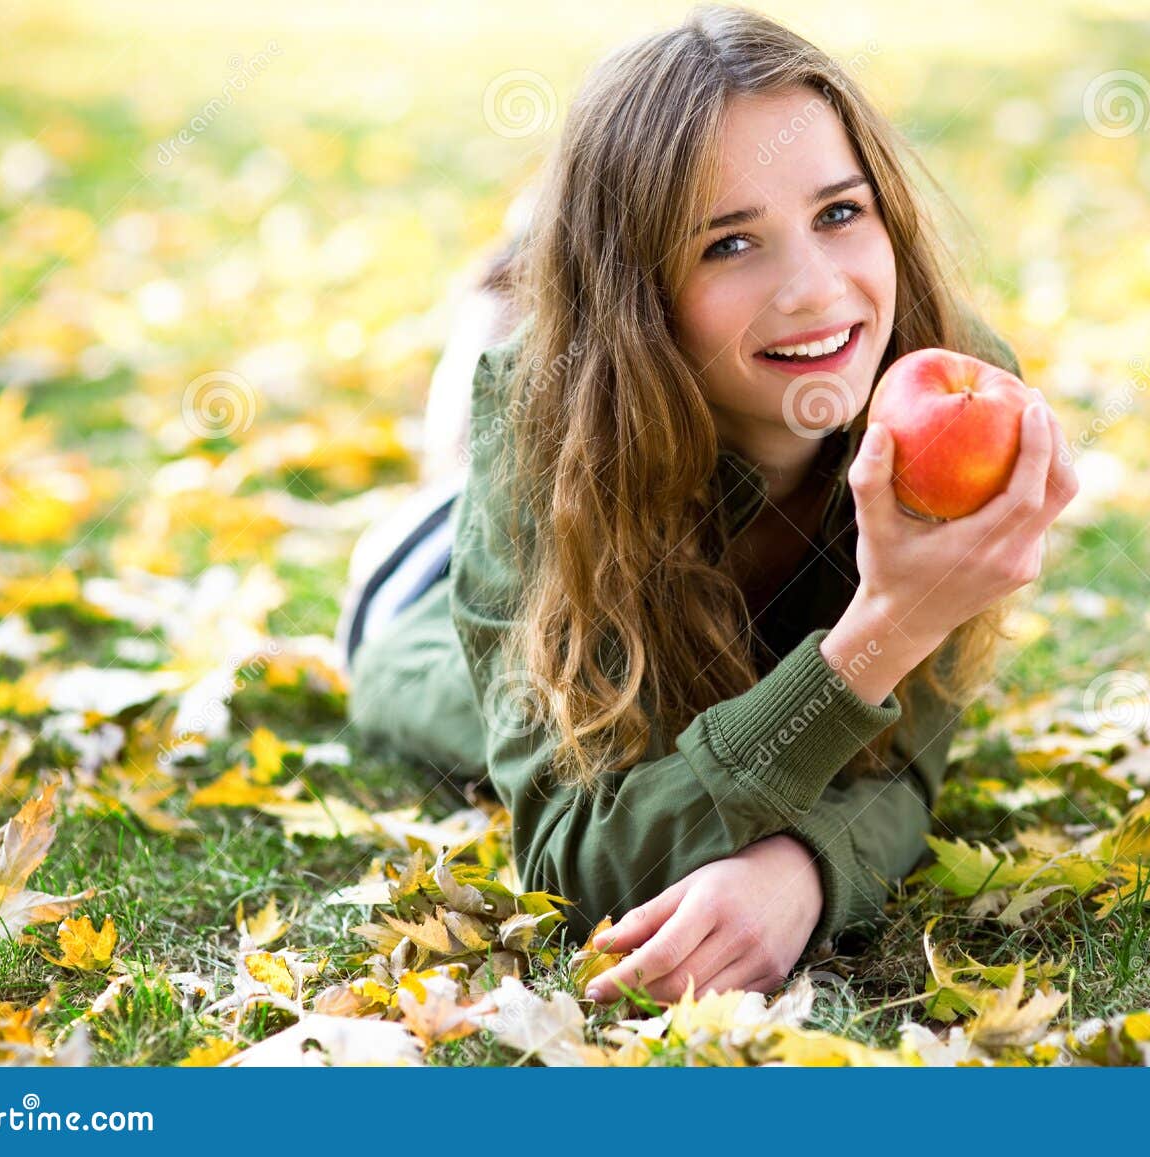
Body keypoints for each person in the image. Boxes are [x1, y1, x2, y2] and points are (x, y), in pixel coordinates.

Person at [337, 4, 1079, 1006]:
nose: (816, 292)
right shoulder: (542, 424)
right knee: (406, 671)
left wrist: (801, 874)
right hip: (439, 565)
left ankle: (537, 263)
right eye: (730, 243)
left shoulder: (956, 386)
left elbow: (902, 768)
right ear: (642, 289)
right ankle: (509, 293)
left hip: (619, 457)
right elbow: (575, 844)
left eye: (838, 213)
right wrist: (884, 628)